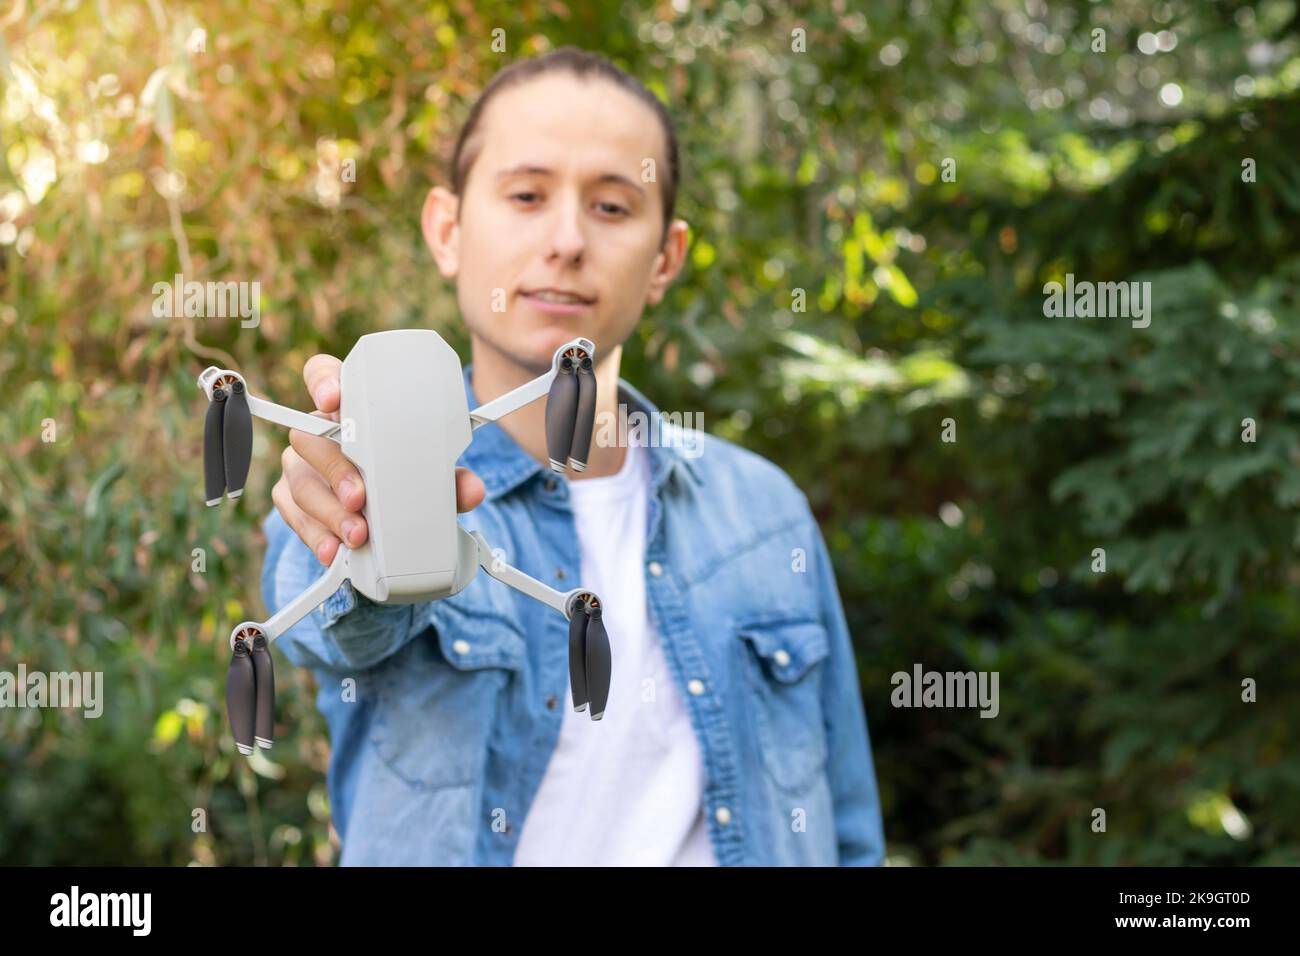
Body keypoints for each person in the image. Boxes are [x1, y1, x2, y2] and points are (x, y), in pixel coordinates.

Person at [261, 46, 885, 866]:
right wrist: (349, 520)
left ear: (666, 257)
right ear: (447, 230)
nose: (566, 240)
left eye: (614, 207)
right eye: (526, 195)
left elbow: (845, 834)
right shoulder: (364, 471)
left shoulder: (765, 514)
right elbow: (335, 623)